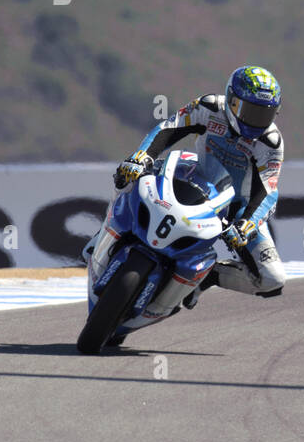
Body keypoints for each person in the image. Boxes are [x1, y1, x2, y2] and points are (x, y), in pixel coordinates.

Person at [82, 65, 287, 325]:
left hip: (237, 206)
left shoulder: (270, 142)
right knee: (129, 174)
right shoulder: (210, 106)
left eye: (264, 114)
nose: (255, 121)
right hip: (194, 174)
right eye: (251, 111)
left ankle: (209, 275)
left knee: (272, 279)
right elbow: (169, 127)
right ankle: (105, 232)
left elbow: (268, 191)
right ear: (232, 101)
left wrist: (247, 223)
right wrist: (141, 157)